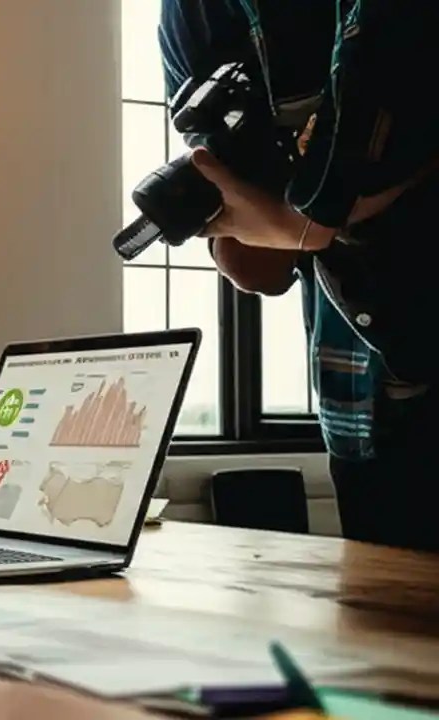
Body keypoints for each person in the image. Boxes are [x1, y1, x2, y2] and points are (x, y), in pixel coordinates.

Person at [159, 0, 439, 551]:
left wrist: (301, 218)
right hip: (362, 399)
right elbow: (255, 266)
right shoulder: (189, 17)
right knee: (380, 625)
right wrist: (243, 205)